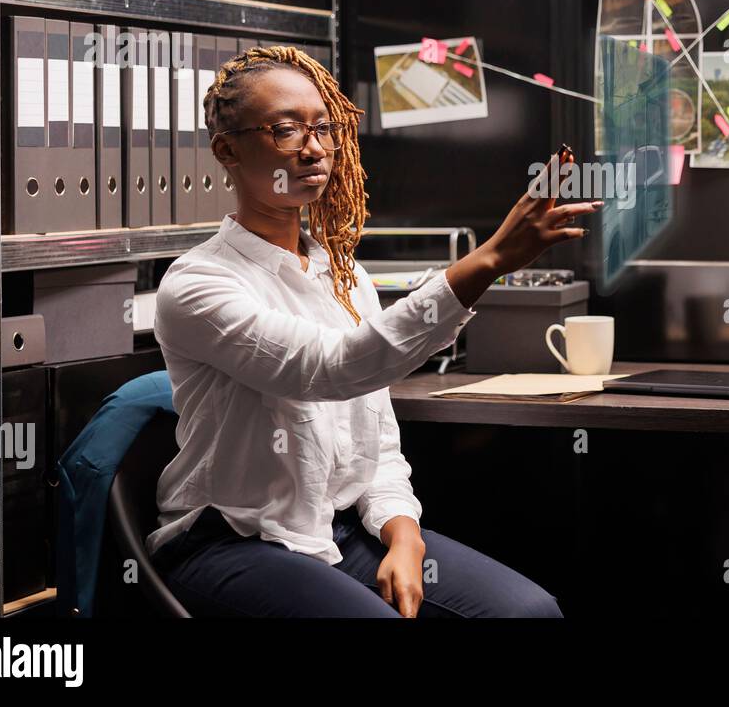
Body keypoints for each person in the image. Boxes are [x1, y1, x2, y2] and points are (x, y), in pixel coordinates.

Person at [146, 45, 601, 617]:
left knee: (526, 613)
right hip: (232, 540)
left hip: (338, 530)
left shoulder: (344, 277)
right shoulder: (197, 284)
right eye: (286, 129)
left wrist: (404, 535)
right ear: (226, 149)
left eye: (324, 127)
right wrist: (486, 262)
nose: (313, 148)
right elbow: (331, 368)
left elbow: (377, 442)